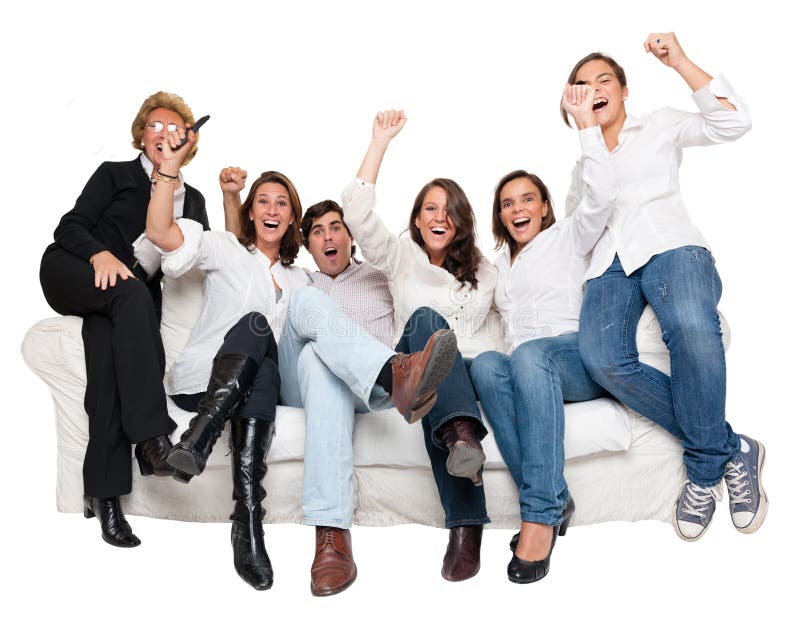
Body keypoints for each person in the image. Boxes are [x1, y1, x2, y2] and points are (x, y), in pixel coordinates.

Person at [567, 33, 767, 542]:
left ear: (624, 90)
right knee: (601, 357)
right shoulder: (583, 163)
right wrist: (588, 139)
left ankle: (703, 472)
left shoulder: (656, 125)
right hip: (610, 266)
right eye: (582, 86)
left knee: (692, 329)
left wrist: (678, 60)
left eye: (603, 80)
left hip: (669, 245)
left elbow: (734, 122)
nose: (593, 90)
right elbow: (583, 232)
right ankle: (728, 446)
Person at [219, 191, 458, 596]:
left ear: (351, 237)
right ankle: (392, 374)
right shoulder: (300, 279)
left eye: (336, 228)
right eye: (317, 231)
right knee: (308, 324)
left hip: (367, 396)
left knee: (317, 356)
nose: (328, 236)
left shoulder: (381, 273)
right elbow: (242, 255)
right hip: (306, 389)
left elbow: (424, 267)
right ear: (307, 243)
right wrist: (231, 198)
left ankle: (331, 536)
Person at [39, 91, 209, 548]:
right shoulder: (115, 175)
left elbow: (195, 260)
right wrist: (98, 255)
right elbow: (69, 226)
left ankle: (104, 494)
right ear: (141, 135)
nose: (164, 133)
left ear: (188, 143)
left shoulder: (192, 201)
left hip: (122, 303)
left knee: (108, 355)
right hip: (73, 269)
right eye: (155, 125)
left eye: (175, 128)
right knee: (129, 294)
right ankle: (153, 439)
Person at [342, 110, 504, 582]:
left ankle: (462, 476)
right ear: (416, 218)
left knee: (441, 372)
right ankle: (465, 496)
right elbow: (355, 213)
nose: (440, 217)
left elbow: (510, 324)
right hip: (424, 368)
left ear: (461, 223)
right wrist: (379, 142)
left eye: (449, 210)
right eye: (430, 208)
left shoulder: (487, 271)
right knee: (427, 332)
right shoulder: (399, 254)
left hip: (472, 367)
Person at [469, 84, 616, 583]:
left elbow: (601, 196)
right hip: (528, 366)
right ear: (501, 216)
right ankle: (555, 496)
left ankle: (539, 515)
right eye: (508, 203)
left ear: (545, 207)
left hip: (576, 360)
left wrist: (585, 128)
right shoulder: (498, 268)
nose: (517, 209)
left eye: (527, 198)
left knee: (530, 355)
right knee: (487, 364)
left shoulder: (568, 235)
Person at [146, 142, 308, 589]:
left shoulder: (302, 279)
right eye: (263, 202)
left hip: (258, 388)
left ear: (292, 216)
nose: (272, 210)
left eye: (282, 204)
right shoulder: (224, 248)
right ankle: (248, 522)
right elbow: (162, 233)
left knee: (268, 364)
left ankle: (197, 445)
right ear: (251, 213)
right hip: (202, 382)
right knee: (256, 326)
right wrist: (168, 170)